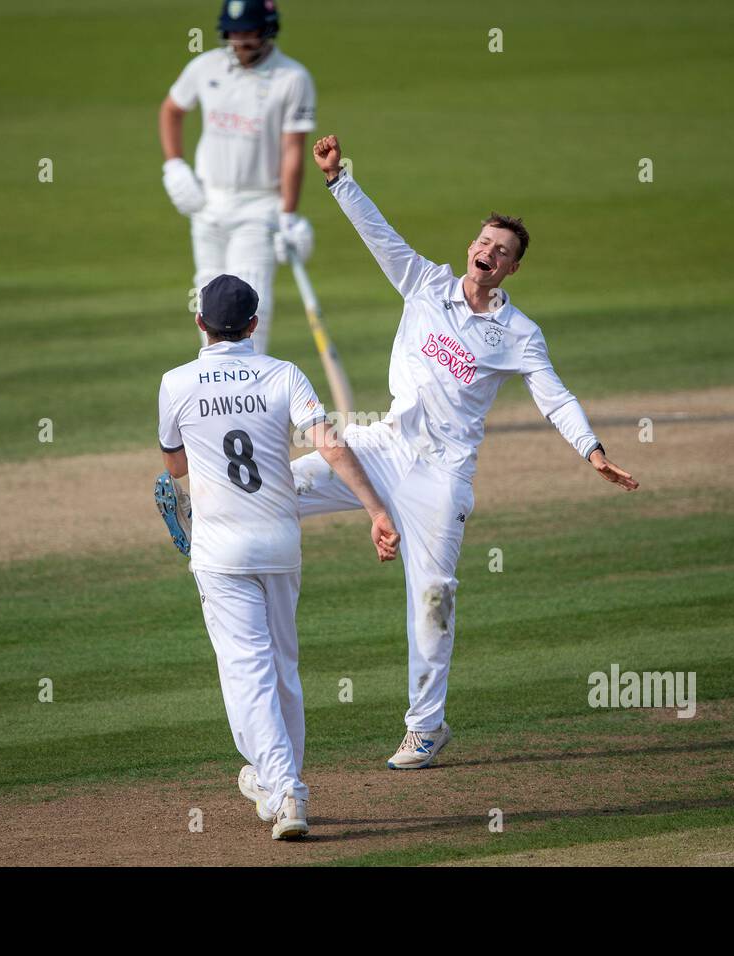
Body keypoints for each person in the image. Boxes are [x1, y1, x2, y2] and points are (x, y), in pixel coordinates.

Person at [290, 134, 640, 770]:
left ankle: (426, 727)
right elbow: (379, 234)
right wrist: (338, 179)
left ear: (512, 269)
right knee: (283, 486)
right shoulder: (424, 282)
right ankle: (207, 518)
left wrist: (591, 450)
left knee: (433, 598)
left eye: (501, 251)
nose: (488, 253)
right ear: (471, 249)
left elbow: (554, 397)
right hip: (386, 444)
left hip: (442, 479)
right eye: (483, 243)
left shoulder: (519, 333)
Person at [156, 274, 399, 839]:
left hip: (220, 549)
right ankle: (275, 780)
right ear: (253, 324)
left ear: (200, 324)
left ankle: (285, 787)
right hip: (281, 542)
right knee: (282, 666)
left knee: (246, 668)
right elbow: (331, 445)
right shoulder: (282, 373)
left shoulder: (176, 382)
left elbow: (175, 468)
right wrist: (375, 511)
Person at [158, 0, 316, 355]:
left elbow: (293, 150)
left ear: (267, 30)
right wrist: (174, 165)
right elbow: (172, 109)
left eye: (247, 32)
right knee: (209, 301)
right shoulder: (205, 67)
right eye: (233, 33)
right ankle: (218, 396)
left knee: (249, 299)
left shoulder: (292, 78)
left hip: (258, 207)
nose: (239, 41)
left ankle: (254, 398)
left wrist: (288, 214)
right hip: (207, 202)